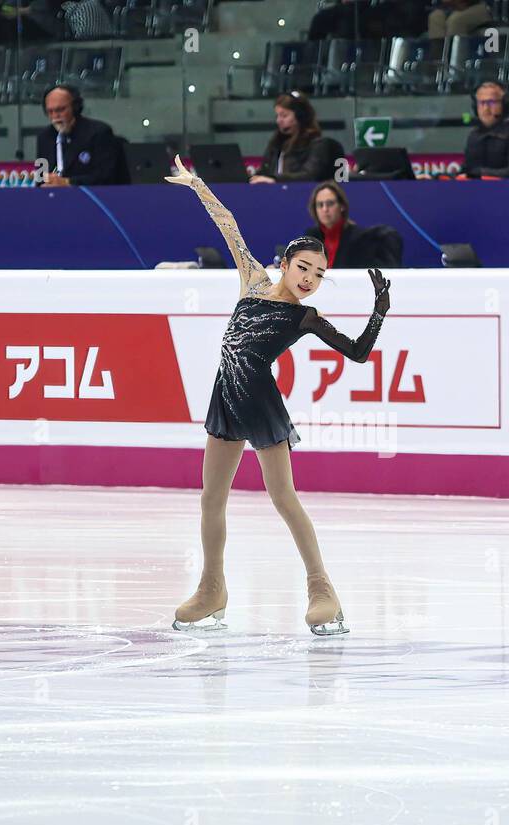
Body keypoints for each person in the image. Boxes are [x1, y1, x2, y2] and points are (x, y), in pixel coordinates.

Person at [163, 155, 393, 637]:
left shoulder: (303, 317)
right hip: (226, 397)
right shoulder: (253, 280)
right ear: (284, 264)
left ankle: (322, 589)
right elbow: (229, 227)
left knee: (284, 497)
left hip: (261, 404)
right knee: (211, 498)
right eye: (302, 268)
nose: (309, 279)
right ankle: (212, 588)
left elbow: (357, 353)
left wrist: (379, 311)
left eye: (318, 273)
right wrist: (197, 184)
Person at [35, 84, 121, 186]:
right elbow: (40, 178)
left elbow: (106, 176)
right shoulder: (44, 137)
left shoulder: (99, 132)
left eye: (60, 110)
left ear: (75, 108)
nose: (55, 116)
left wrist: (67, 182)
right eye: (50, 111)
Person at [303, 182, 403, 269]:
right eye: (320, 205)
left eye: (330, 203)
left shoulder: (358, 238)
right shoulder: (311, 237)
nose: (325, 209)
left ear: (342, 206)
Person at [250, 92, 339, 184]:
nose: (278, 121)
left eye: (284, 116)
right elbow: (265, 171)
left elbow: (309, 175)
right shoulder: (276, 144)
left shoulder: (318, 145)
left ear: (300, 117)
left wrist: (275, 180)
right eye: (277, 116)